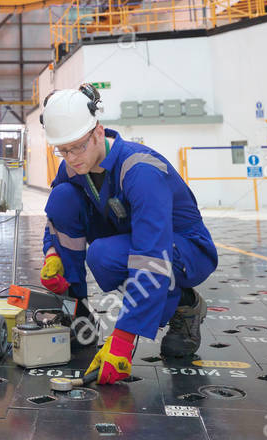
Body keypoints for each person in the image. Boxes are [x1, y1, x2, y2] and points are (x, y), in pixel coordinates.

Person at [39, 85, 218, 384]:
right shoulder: (75, 165)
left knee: (105, 256)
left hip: (183, 250)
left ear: (98, 133)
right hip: (132, 239)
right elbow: (57, 216)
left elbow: (151, 257)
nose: (71, 158)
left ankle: (185, 305)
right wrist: (52, 252)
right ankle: (79, 312)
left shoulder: (140, 171)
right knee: (62, 198)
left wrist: (122, 340)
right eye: (63, 150)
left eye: (78, 147)